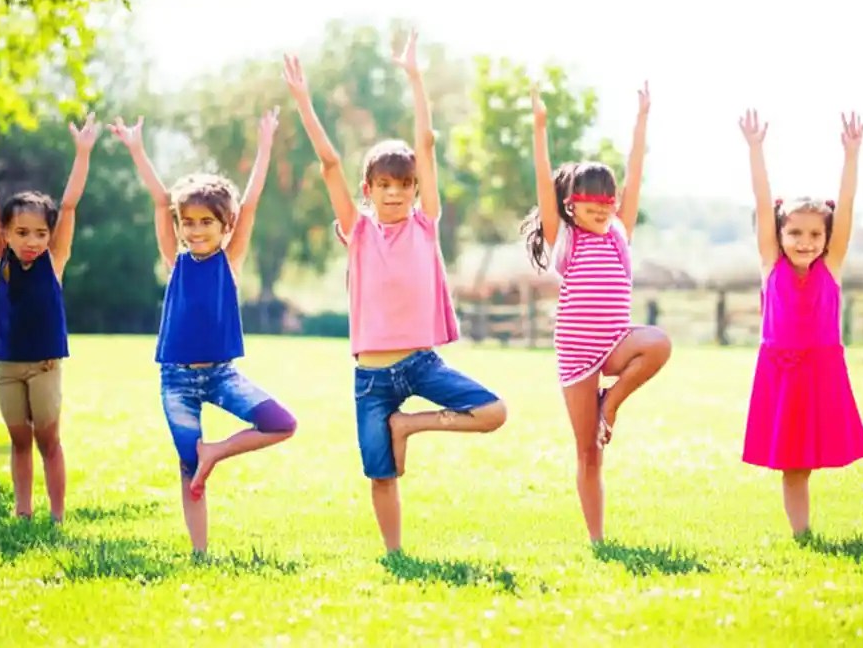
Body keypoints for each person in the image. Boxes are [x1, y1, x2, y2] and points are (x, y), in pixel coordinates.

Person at [283, 31, 506, 554]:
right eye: (384, 185)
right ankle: (396, 555)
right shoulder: (357, 233)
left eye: (403, 185)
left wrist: (415, 77)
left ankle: (409, 424)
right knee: (381, 475)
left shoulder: (426, 224)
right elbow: (330, 164)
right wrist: (303, 102)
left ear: (414, 191)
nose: (394, 194)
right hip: (371, 378)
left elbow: (425, 145)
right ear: (369, 191)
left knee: (494, 412)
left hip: (422, 364)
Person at [111, 108, 297, 554]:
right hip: (176, 378)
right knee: (188, 466)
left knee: (282, 424)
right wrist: (137, 149)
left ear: (224, 226)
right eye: (188, 222)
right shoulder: (174, 262)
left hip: (222, 375)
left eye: (206, 222)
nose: (195, 231)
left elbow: (249, 202)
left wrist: (266, 144)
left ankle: (218, 452)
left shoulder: (228, 262)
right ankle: (200, 552)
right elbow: (161, 201)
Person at [520, 81, 672, 543]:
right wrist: (540, 127)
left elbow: (636, 172)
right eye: (594, 201)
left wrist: (641, 120)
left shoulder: (618, 234)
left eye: (609, 200)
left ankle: (612, 402)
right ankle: (598, 540)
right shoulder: (565, 239)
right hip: (576, 353)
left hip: (615, 343)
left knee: (659, 344)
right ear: (572, 204)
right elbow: (545, 180)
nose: (605, 207)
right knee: (589, 452)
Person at [0, 114, 97, 522]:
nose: (31, 241)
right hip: (7, 364)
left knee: (48, 439)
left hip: (45, 364)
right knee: (19, 440)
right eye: (21, 233)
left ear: (50, 236)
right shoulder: (3, 258)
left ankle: (56, 514)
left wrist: (82, 154)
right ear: (6, 234)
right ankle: (22, 512)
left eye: (39, 233)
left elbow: (68, 204)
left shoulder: (54, 261)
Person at [738, 108, 863, 537]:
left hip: (821, 369)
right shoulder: (770, 265)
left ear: (827, 239)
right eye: (795, 233)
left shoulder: (830, 268)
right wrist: (755, 149)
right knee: (793, 464)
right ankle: (802, 534)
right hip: (780, 370)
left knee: (809, 461)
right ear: (779, 235)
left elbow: (845, 206)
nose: (806, 242)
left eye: (816, 235)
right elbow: (762, 203)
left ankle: (805, 531)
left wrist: (851, 156)